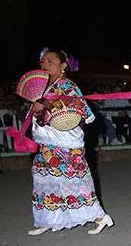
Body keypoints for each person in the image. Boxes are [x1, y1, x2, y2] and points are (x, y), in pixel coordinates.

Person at [28, 48, 113, 236]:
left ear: (63, 66)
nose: (45, 64)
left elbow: (84, 114)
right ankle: (48, 219)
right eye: (43, 61)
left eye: (51, 61)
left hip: (65, 142)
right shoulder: (42, 87)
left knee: (74, 181)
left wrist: (47, 104)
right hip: (46, 142)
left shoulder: (67, 86)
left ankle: (100, 217)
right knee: (46, 181)